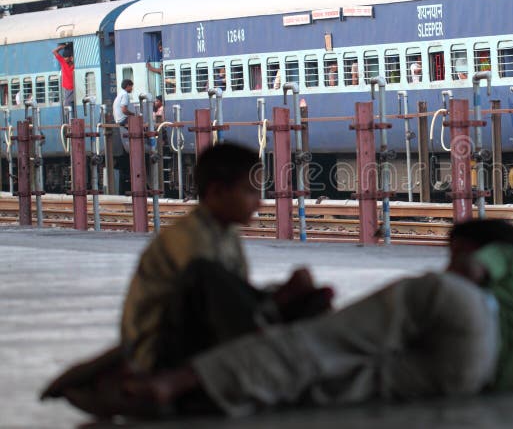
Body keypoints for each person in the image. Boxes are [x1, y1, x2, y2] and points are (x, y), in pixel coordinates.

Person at [47, 219, 513, 419]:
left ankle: (173, 380)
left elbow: (478, 265)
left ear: (466, 244)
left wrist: (466, 266)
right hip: (473, 380)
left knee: (325, 341)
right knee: (330, 376)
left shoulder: (502, 259)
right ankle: (192, 395)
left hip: (466, 327)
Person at [41, 144, 334, 412]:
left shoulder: (226, 235)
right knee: (207, 276)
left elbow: (234, 298)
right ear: (217, 192)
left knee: (312, 299)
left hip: (198, 332)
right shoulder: (189, 238)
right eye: (249, 192)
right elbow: (212, 298)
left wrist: (284, 297)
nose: (258, 204)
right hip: (162, 351)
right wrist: (278, 300)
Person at [52, 44, 75, 110]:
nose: (65, 60)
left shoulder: (75, 65)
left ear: (71, 58)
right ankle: (69, 119)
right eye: (64, 58)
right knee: (67, 105)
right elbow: (54, 52)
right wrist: (61, 47)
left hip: (74, 88)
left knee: (69, 104)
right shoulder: (63, 62)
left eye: (66, 58)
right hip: (67, 88)